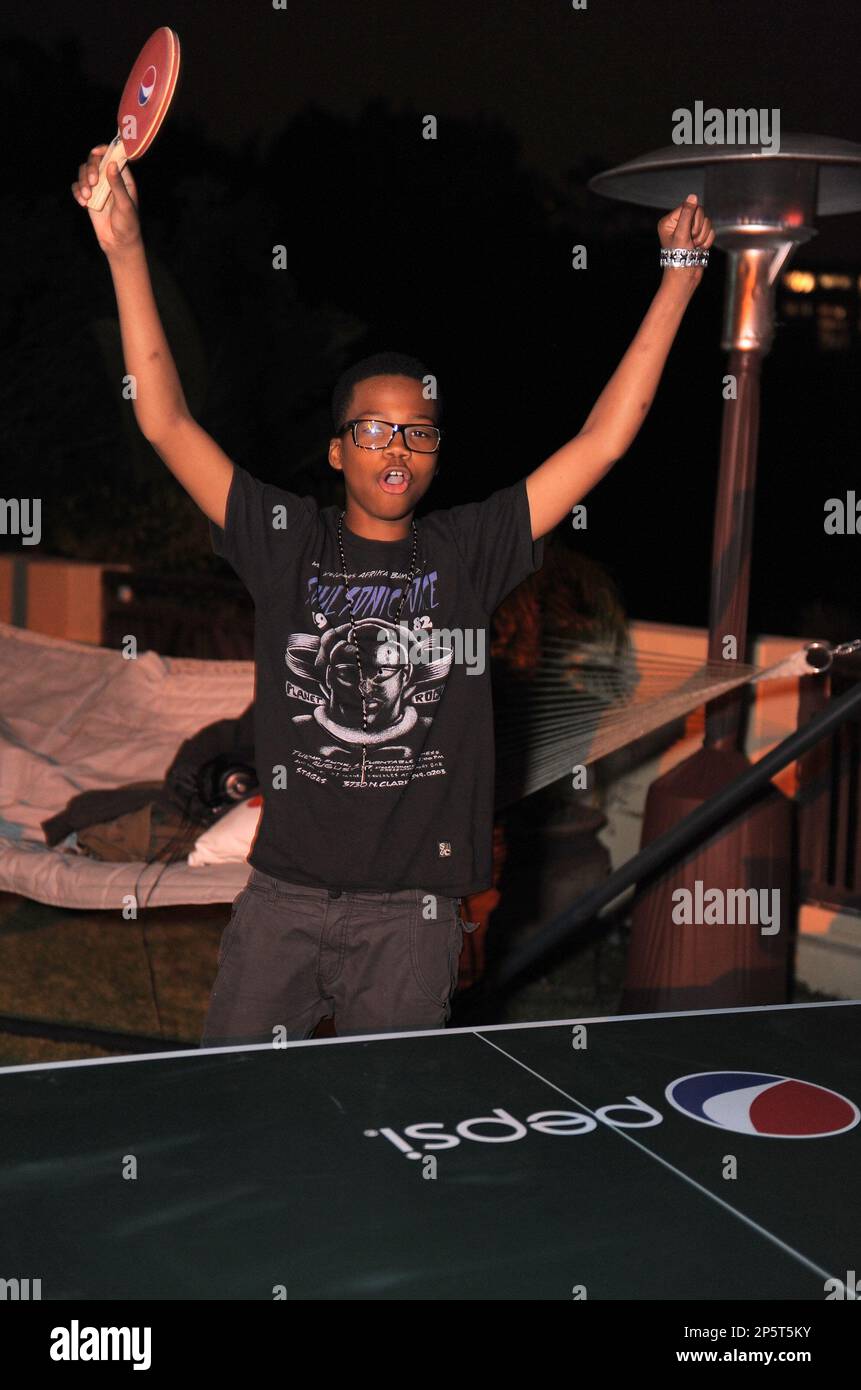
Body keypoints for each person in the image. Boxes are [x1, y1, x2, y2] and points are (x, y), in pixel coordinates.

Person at [71, 148, 713, 1045]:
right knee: (240, 1118)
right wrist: (126, 247)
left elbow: (604, 439)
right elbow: (166, 419)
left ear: (434, 454)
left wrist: (679, 278)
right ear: (339, 450)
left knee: (385, 1133)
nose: (396, 447)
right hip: (283, 904)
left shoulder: (471, 548)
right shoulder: (283, 537)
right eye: (373, 428)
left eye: (417, 431)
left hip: (411, 920)